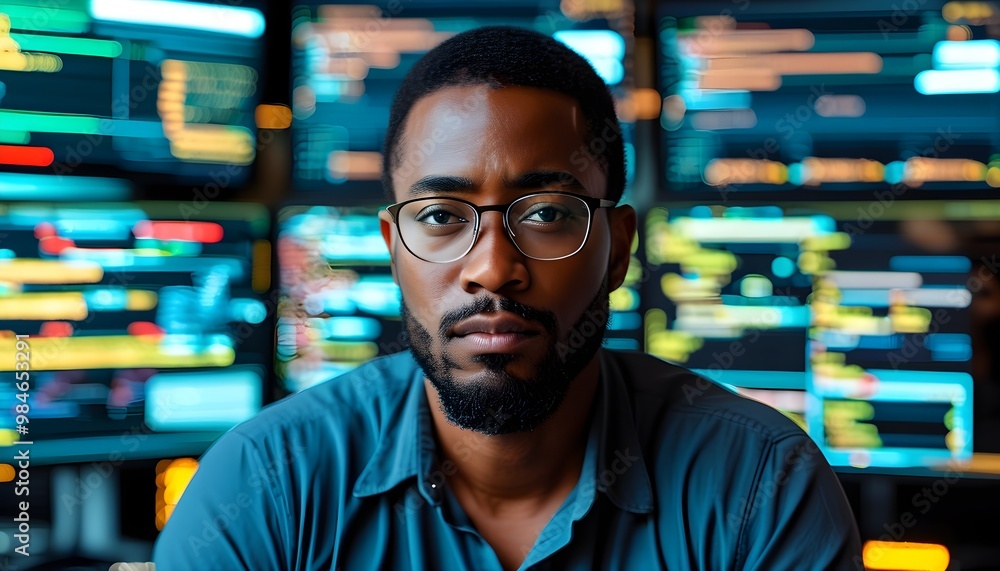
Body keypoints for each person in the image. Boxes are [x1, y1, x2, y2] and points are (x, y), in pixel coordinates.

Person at [153, 26, 862, 570]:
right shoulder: (264, 489)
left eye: (547, 213)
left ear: (618, 246)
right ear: (394, 247)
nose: (492, 270)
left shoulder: (760, 485)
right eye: (440, 217)